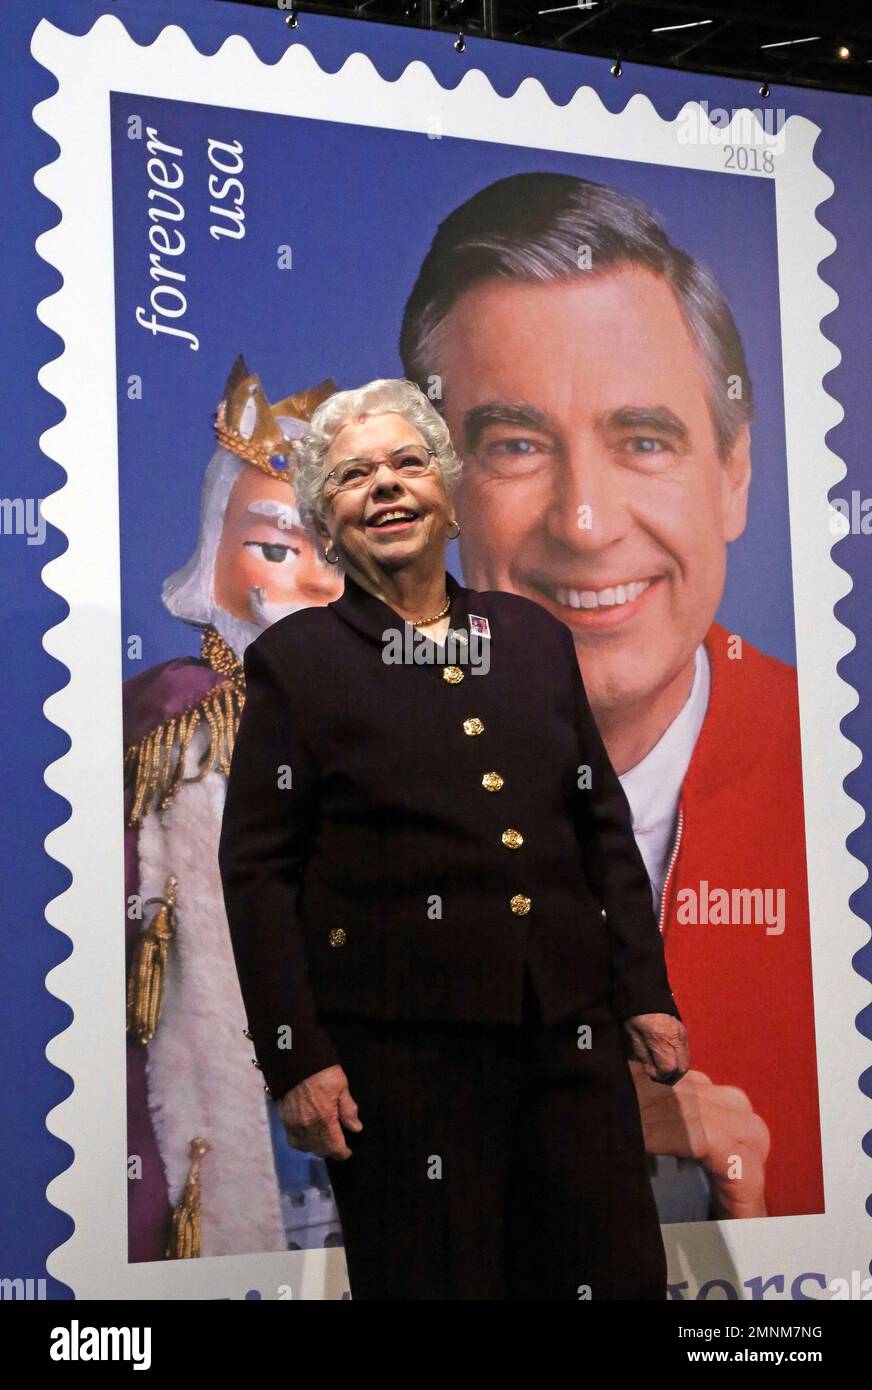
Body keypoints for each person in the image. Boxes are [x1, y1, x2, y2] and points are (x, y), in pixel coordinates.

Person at [398, 172, 823, 1220]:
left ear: (731, 473)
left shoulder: (837, 772)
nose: (584, 523)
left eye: (642, 438)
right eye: (513, 444)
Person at [217, 376, 689, 1300]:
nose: (385, 486)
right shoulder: (296, 665)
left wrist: (643, 987)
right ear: (325, 516)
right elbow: (258, 875)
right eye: (354, 475)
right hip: (399, 1069)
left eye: (405, 463)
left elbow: (600, 824)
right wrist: (297, 1057)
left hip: (568, 1042)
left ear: (448, 492)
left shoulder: (532, 637)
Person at [124, 356, 342, 1260]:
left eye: (337, 553)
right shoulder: (183, 722)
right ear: (216, 555)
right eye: (281, 548)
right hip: (242, 1086)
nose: (317, 582)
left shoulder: (385, 718)